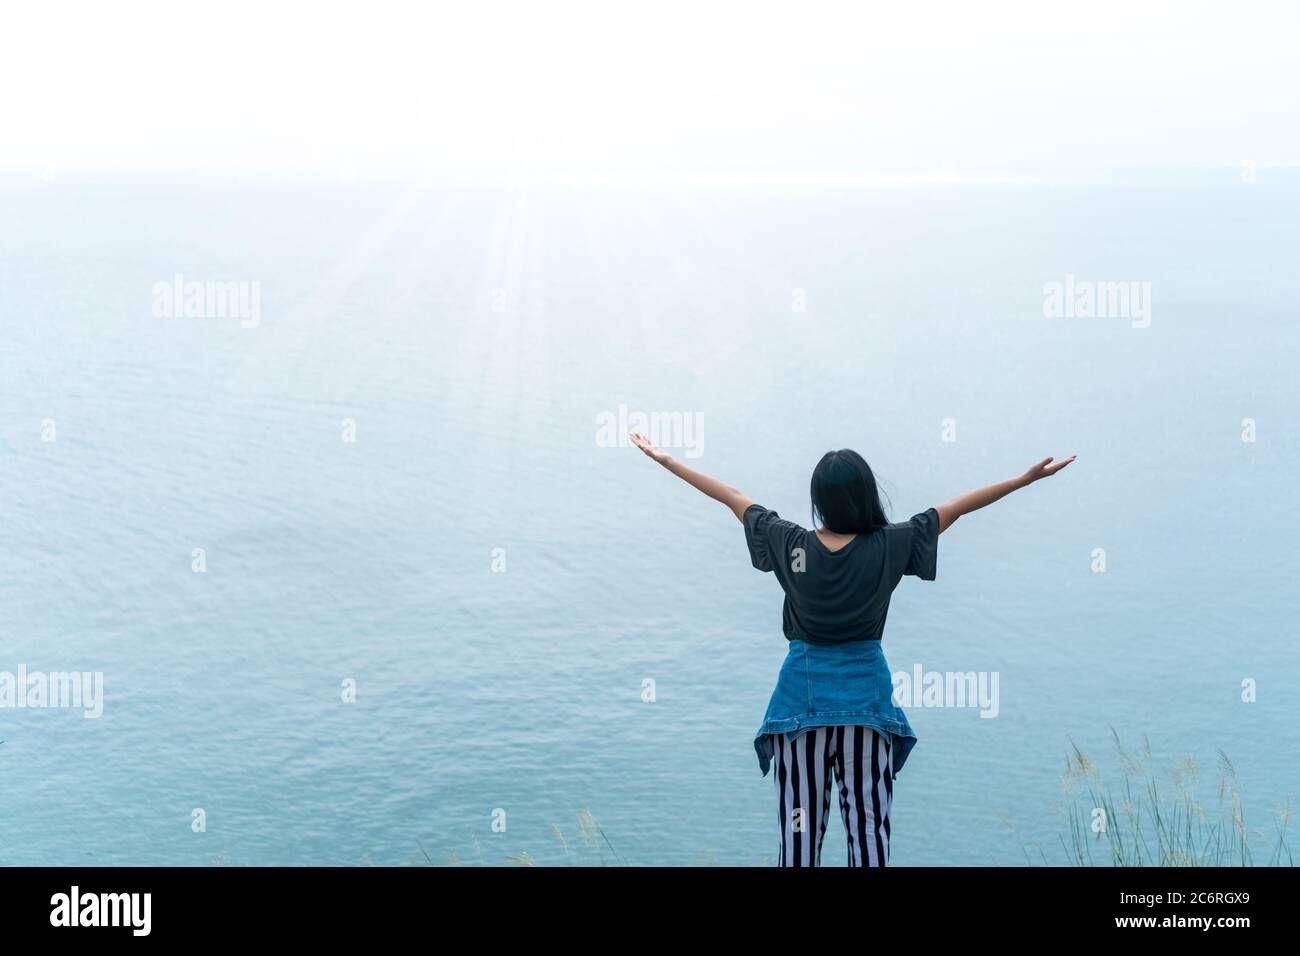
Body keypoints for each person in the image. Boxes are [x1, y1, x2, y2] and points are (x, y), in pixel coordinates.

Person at [629, 433, 1075, 866]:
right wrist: (1022, 480)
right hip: (867, 709)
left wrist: (667, 461)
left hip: (799, 711)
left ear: (819, 501)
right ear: (866, 495)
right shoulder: (891, 544)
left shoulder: (791, 543)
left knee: (799, 839)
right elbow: (957, 507)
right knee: (869, 838)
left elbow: (730, 495)